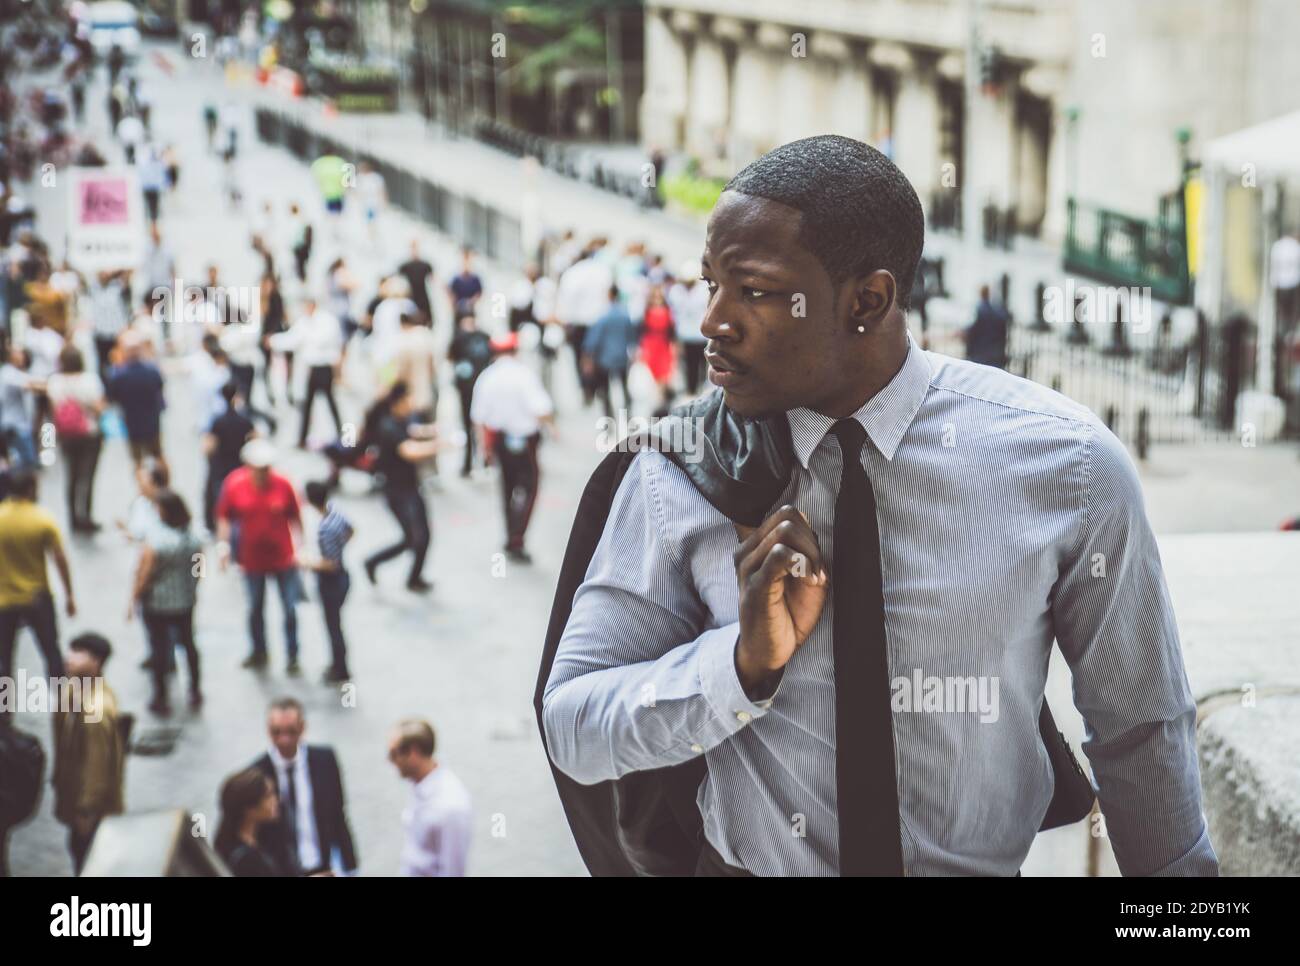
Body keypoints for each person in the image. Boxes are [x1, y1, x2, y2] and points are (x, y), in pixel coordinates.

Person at [540, 134, 1218, 877]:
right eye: (711, 285)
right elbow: (573, 724)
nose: (714, 321)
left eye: (756, 291)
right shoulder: (682, 471)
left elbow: (1139, 728)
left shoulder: (1069, 466)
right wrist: (739, 665)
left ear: (868, 300)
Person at [215, 440, 304, 672]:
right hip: (251, 560)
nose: (263, 473)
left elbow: (296, 516)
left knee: (290, 609)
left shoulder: (283, 484)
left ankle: (293, 655)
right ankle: (259, 651)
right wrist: (223, 546)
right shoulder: (234, 484)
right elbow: (224, 515)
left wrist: (301, 547)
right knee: (255, 608)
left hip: (283, 559)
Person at [250, 698, 359, 875]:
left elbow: (338, 814)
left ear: (302, 727)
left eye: (291, 731)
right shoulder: (257, 772)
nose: (284, 740)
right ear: (268, 731)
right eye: (277, 732)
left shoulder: (325, 759)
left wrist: (351, 866)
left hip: (323, 866)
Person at [471, 333, 554, 563]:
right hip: (525, 440)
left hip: (500, 440)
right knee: (530, 487)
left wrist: (483, 448)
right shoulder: (524, 375)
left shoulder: (486, 378)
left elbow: (478, 418)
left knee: (507, 487)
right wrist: (553, 428)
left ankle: (510, 531)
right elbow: (541, 407)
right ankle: (517, 535)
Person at [53, 633, 125, 873]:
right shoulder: (74, 688)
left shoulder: (96, 711)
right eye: (71, 651)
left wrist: (87, 809)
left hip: (89, 806)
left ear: (97, 662)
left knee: (86, 854)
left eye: (79, 653)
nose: (69, 658)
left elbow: (95, 766)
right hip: (73, 790)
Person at [129, 490, 203, 715]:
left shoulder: (156, 542)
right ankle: (195, 689)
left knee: (159, 650)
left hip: (158, 604)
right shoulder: (193, 538)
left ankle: (160, 697)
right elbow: (198, 567)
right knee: (188, 645)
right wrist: (192, 587)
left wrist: (135, 597)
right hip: (184, 601)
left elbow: (145, 573)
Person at [362, 382, 438, 593]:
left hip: (411, 488)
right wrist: (440, 445)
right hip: (397, 492)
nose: (411, 403)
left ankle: (410, 576)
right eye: (408, 399)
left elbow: (416, 431)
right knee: (415, 538)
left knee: (418, 537)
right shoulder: (388, 427)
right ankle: (377, 564)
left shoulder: (403, 420)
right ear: (397, 402)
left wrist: (436, 431)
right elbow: (409, 450)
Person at [0, 469, 74, 685]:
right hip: (37, 597)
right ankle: (63, 703)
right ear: (31, 489)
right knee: (51, 650)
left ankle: (4, 710)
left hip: (4, 599)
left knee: (4, 657)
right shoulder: (42, 519)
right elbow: (60, 560)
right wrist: (69, 595)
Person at [388, 719, 471, 877]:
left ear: (413, 752)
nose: (390, 761)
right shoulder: (419, 786)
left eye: (393, 754)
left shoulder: (451, 806)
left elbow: (453, 872)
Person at [46, 345, 106, 533]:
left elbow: (52, 410)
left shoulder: (54, 381)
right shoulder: (89, 380)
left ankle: (72, 517)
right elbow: (99, 408)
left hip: (67, 435)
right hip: (89, 433)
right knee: (87, 475)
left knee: (71, 475)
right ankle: (85, 515)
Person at [270, 298, 344, 448]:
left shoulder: (327, 321)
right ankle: (303, 438)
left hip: (324, 367)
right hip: (312, 369)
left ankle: (341, 434)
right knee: (309, 403)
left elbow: (318, 340)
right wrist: (273, 341)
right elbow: (292, 338)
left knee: (329, 402)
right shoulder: (304, 322)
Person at [304, 481, 352, 684]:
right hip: (342, 576)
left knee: (333, 626)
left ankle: (340, 668)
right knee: (336, 624)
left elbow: (329, 565)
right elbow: (351, 531)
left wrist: (306, 562)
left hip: (331, 581)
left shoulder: (324, 529)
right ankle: (339, 665)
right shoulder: (335, 512)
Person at [557, 250, 615, 405]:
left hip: (579, 323)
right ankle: (601, 386)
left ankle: (586, 387)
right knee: (600, 357)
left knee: (580, 357)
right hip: (600, 320)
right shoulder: (603, 270)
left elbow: (566, 301)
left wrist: (565, 323)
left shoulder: (572, 274)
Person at [215, 768, 293, 876]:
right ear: (249, 809)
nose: (276, 800)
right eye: (268, 796)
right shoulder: (244, 860)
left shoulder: (259, 837)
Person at [106, 333, 166, 466]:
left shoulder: (119, 376)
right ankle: (163, 482)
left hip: (132, 423)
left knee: (138, 461)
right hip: (152, 421)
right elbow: (160, 388)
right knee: (158, 454)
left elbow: (112, 397)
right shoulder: (152, 371)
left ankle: (144, 485)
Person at [203, 381, 255, 533]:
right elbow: (254, 441)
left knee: (217, 500)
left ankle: (214, 527)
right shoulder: (245, 421)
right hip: (239, 466)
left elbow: (208, 447)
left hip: (220, 468)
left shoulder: (217, 422)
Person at [448, 312, 492, 476]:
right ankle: (482, 460)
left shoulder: (459, 338)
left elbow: (450, 358)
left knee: (470, 425)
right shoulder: (483, 336)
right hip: (478, 389)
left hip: (470, 389)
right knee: (480, 425)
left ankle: (473, 462)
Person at [582, 285, 635, 418]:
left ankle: (609, 415)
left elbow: (593, 339)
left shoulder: (603, 316)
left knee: (605, 389)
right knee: (624, 386)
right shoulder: (625, 314)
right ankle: (627, 412)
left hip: (604, 359)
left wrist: (588, 355)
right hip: (622, 356)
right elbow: (631, 336)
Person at [669, 265, 710, 394]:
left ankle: (700, 387)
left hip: (700, 335)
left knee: (702, 365)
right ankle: (691, 389)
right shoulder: (676, 291)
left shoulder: (703, 291)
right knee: (689, 365)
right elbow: (674, 314)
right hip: (685, 335)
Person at [391, 310, 438, 422]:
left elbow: (400, 373)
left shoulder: (404, 341)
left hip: (411, 399)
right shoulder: (427, 337)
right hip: (429, 394)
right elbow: (433, 368)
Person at [89, 269, 131, 384]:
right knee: (102, 364)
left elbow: (128, 274)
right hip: (100, 333)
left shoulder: (117, 287)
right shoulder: (93, 288)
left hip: (115, 333)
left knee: (118, 361)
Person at [638, 283, 677, 404]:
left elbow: (672, 331)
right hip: (651, 344)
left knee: (664, 371)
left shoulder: (668, 311)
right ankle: (658, 397)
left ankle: (662, 396)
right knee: (653, 372)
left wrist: (673, 345)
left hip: (663, 344)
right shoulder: (647, 312)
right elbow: (642, 330)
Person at [0, 347, 38, 468]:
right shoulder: (8, 373)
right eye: (18, 353)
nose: (22, 356)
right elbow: (30, 385)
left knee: (24, 461)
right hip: (15, 426)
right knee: (25, 463)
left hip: (20, 425)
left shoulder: (19, 373)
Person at [965, 284, 1010, 369]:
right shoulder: (998, 312)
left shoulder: (978, 310)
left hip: (979, 355)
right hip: (995, 355)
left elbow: (970, 332)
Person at [398, 240, 435, 324]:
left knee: (426, 322)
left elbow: (433, 280)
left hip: (423, 298)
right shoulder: (404, 266)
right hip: (410, 298)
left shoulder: (426, 265)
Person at [446, 247, 482, 320]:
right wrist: (453, 306)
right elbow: (451, 293)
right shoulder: (456, 278)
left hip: (470, 309)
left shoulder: (475, 279)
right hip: (458, 310)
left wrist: (471, 302)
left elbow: (479, 293)